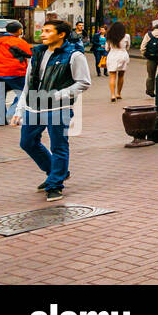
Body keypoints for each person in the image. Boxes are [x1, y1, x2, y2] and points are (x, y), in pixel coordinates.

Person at [20, 19, 91, 201]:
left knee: (58, 145)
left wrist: (59, 94)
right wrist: (20, 107)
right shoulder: (37, 53)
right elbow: (28, 82)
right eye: (42, 30)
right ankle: (56, 172)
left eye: (47, 31)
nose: (42, 34)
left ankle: (55, 184)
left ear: (61, 35)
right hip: (34, 105)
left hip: (59, 107)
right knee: (27, 142)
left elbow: (83, 82)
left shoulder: (74, 55)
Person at [0, 21, 32, 125]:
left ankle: (1, 121)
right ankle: (11, 114)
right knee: (23, 93)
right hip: (14, 73)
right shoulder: (17, 41)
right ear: (19, 30)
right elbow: (30, 52)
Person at [104, 21, 130, 102]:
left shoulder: (109, 36)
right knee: (121, 76)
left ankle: (112, 95)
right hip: (123, 55)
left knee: (112, 76)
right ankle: (118, 93)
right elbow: (128, 46)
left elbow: (106, 48)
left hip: (112, 55)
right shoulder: (126, 36)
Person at [141, 19, 158, 97]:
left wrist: (146, 55)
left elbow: (143, 47)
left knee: (150, 76)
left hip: (151, 58)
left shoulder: (148, 34)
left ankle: (150, 91)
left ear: (153, 26)